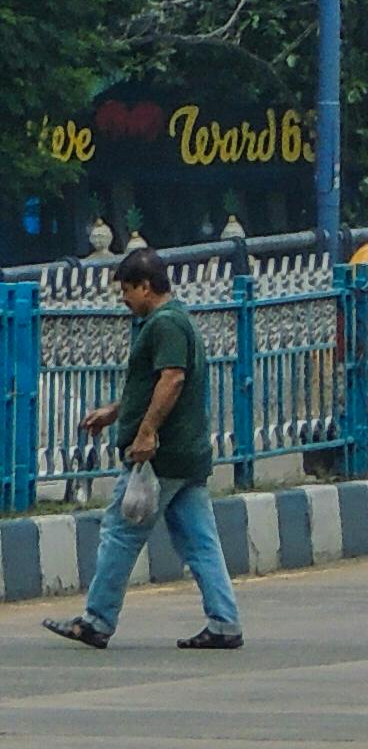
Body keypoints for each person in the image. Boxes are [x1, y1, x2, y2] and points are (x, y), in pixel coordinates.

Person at [45, 244, 244, 653]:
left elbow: (171, 379)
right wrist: (117, 412)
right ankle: (225, 623)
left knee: (119, 531)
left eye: (127, 289)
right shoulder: (176, 320)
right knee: (200, 541)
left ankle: (97, 620)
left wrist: (147, 432)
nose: (124, 298)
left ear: (147, 286)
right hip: (186, 455)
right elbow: (153, 384)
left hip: (163, 456)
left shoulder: (165, 324)